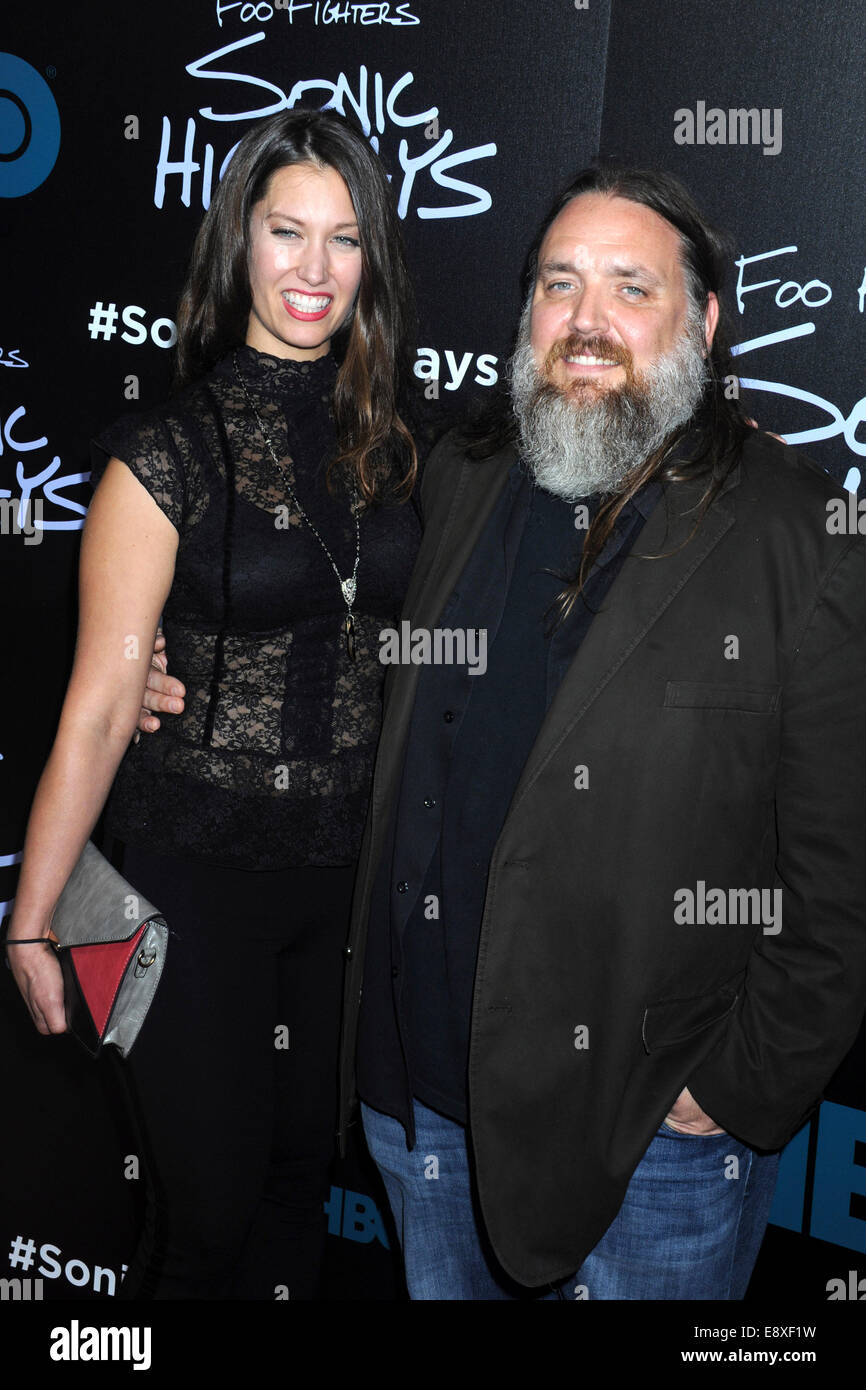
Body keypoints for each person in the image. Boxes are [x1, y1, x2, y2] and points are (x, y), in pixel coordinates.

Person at [327, 165, 864, 1299]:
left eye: (631, 287)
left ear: (704, 323)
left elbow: (841, 880)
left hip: (642, 1148)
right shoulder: (464, 474)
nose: (585, 321)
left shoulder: (799, 537)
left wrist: (725, 1090)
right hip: (423, 1106)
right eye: (557, 284)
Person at [5, 107, 421, 1300]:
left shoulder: (398, 447)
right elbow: (97, 701)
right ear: (237, 241)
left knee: (303, 1180)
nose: (312, 270)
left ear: (370, 261)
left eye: (343, 241)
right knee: (208, 1208)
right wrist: (33, 919)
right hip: (194, 873)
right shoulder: (167, 453)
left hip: (343, 878)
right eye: (286, 232)